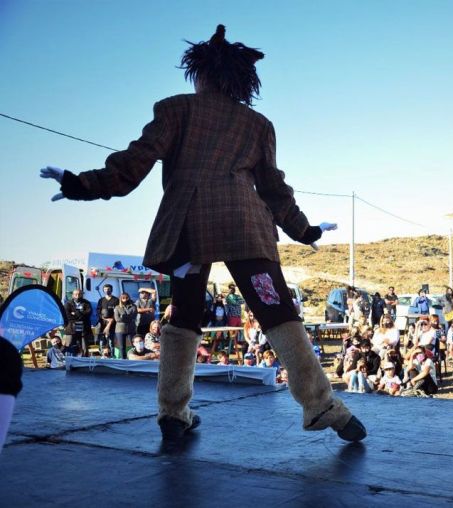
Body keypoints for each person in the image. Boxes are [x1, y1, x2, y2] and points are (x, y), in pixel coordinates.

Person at [40, 25, 364, 442]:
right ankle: (323, 406)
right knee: (277, 310)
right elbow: (274, 189)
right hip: (246, 226)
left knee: (185, 316)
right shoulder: (258, 124)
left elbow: (133, 164)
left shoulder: (175, 109)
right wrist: (305, 230)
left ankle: (173, 412)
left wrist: (80, 184)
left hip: (189, 228)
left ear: (201, 73)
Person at [63, 289, 93, 356]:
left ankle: (84, 359)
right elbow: (67, 315)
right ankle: (69, 359)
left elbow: (88, 313)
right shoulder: (68, 304)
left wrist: (75, 313)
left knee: (84, 347)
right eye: (76, 294)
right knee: (69, 345)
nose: (77, 296)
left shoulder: (87, 303)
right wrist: (80, 314)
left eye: (79, 294)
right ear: (73, 295)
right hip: (71, 328)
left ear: (82, 295)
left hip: (84, 328)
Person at [95, 284, 119, 354]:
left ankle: (112, 354)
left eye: (108, 289)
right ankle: (102, 354)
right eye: (105, 289)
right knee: (102, 340)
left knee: (111, 340)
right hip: (102, 323)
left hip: (112, 323)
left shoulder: (116, 300)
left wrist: (111, 319)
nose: (107, 291)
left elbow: (117, 311)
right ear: (103, 290)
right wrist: (103, 318)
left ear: (111, 290)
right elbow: (98, 311)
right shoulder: (101, 300)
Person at [113, 292, 137, 359]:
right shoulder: (117, 307)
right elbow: (117, 319)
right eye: (123, 298)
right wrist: (127, 317)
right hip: (120, 329)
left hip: (131, 328)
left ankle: (135, 358)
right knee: (122, 347)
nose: (125, 299)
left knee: (134, 345)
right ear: (120, 299)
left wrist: (123, 317)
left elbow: (134, 317)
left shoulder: (133, 306)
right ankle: (123, 360)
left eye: (126, 297)